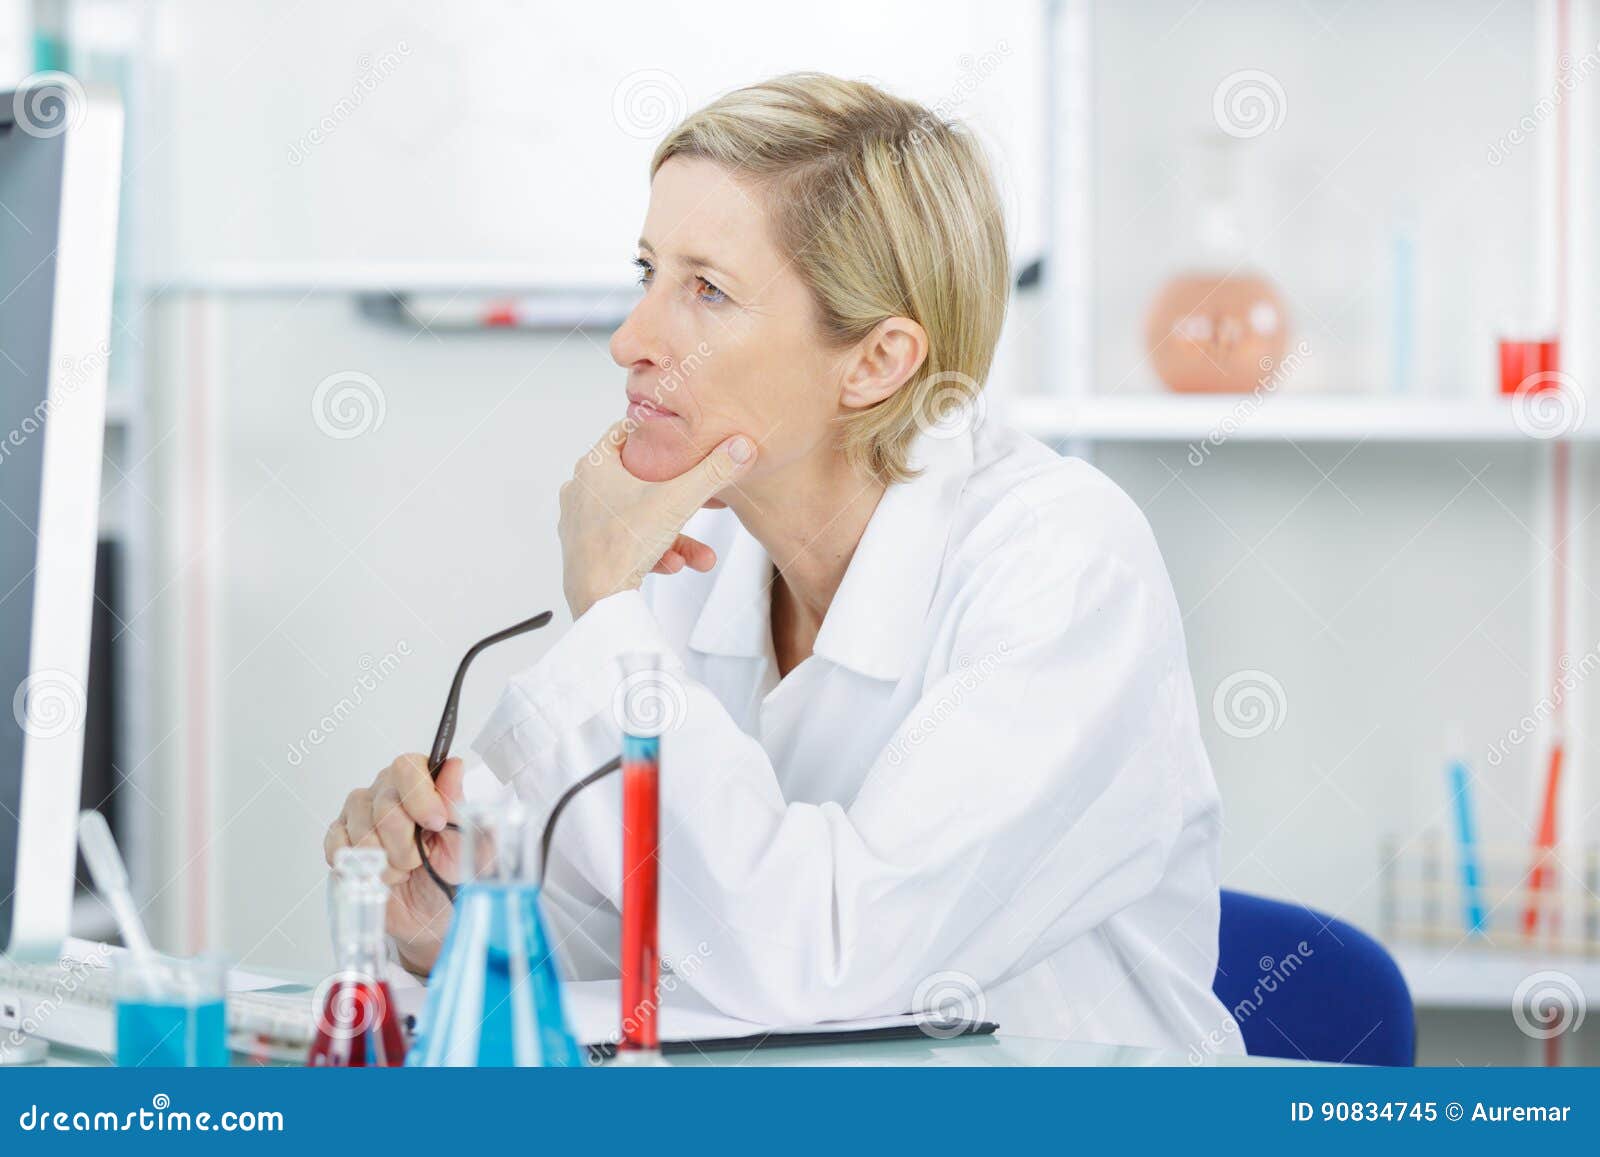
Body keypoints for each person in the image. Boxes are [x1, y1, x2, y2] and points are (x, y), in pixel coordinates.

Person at [326, 73, 1241, 1053]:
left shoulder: (1061, 564)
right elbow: (649, 933)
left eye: (706, 290)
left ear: (877, 361)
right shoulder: (706, 551)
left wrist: (604, 607)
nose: (631, 340)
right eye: (647, 273)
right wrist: (455, 912)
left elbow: (830, 959)